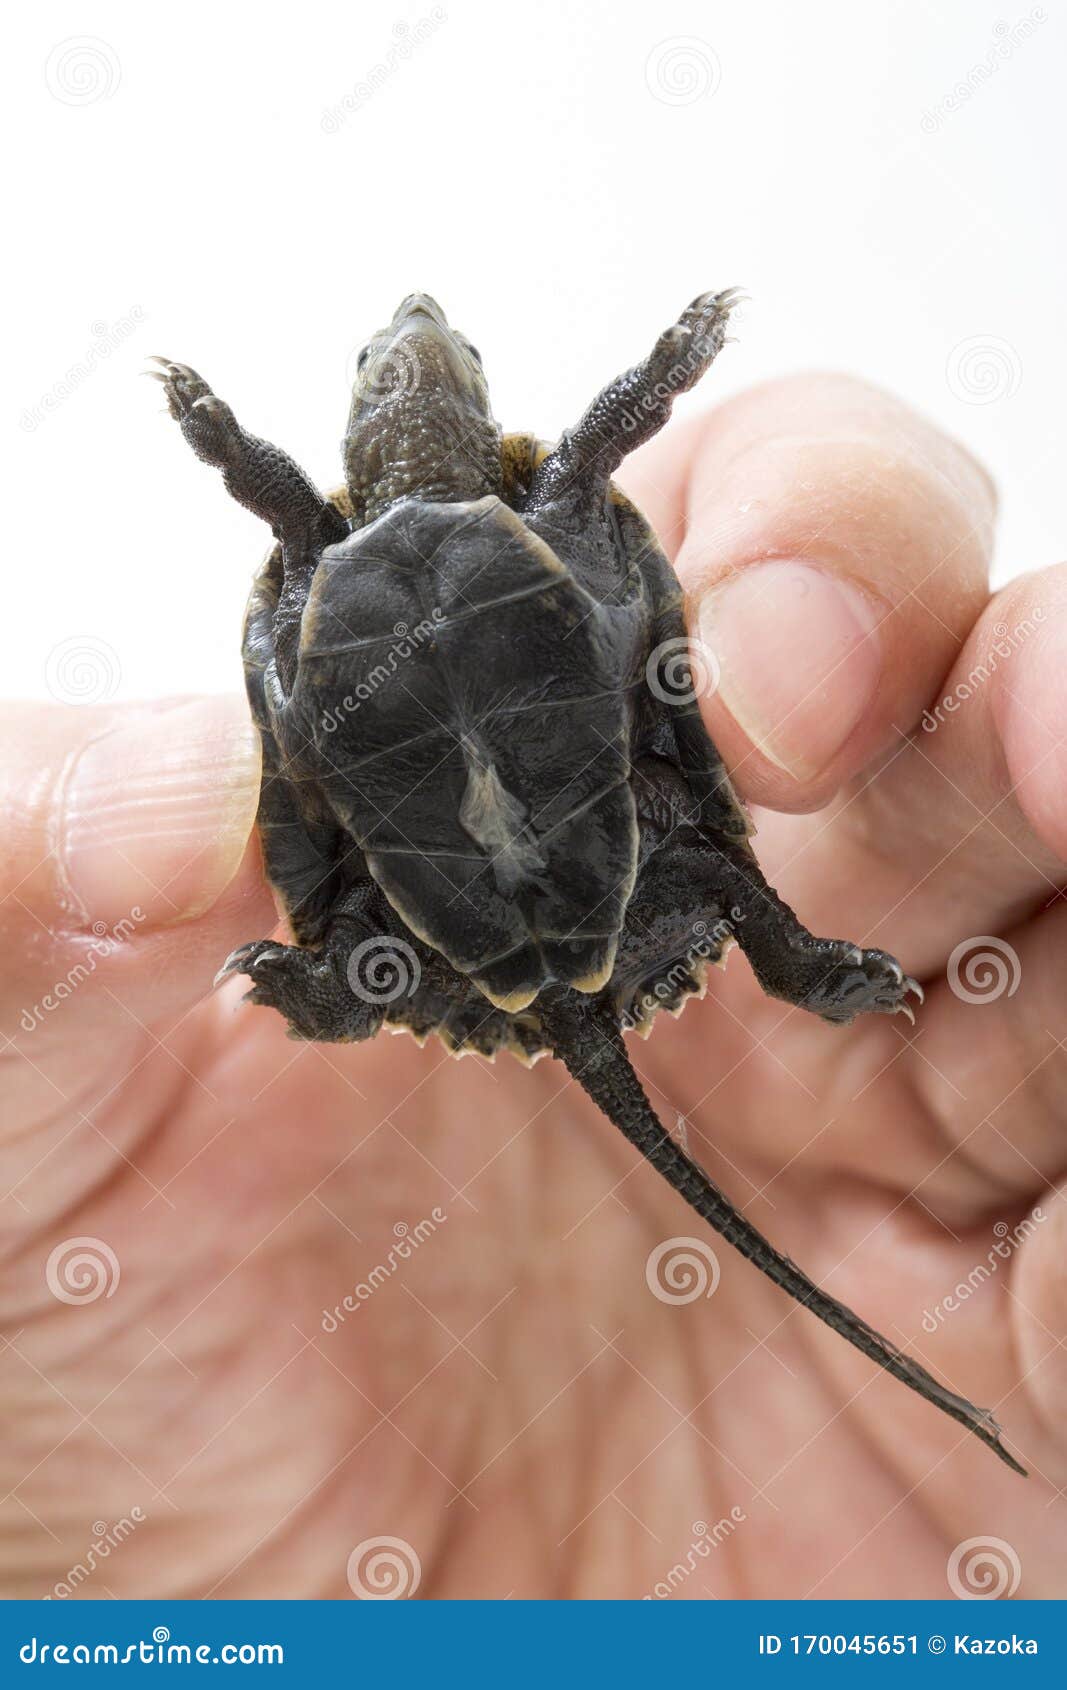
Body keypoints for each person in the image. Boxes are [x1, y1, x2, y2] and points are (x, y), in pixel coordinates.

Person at [3, 373, 1062, 1600]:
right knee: (703, 870)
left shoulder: (340, 544)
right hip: (578, 886)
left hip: (457, 934)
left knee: (501, 911)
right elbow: (557, 460)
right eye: (391, 373)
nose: (402, 371)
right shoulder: (539, 508)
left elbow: (281, 503)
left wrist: (216, 434)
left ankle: (384, 988)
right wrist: (666, 367)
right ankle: (798, 968)